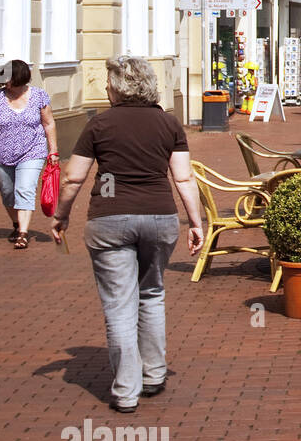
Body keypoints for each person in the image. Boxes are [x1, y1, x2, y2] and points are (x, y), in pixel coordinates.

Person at [52, 56, 202, 414]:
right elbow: (183, 177)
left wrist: (61, 215)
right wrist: (196, 222)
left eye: (108, 82)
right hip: (159, 216)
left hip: (109, 219)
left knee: (119, 306)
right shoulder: (169, 123)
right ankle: (153, 373)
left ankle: (125, 391)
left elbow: (74, 177)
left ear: (119, 87)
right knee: (151, 293)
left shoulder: (99, 124)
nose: (105, 87)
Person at [0, 59, 58, 251]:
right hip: (1, 153)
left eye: (9, 78)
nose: (5, 82)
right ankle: (16, 224)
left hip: (32, 150)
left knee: (25, 189)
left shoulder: (39, 96)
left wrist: (53, 150)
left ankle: (23, 233)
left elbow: (49, 123)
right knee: (8, 192)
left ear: (19, 78)